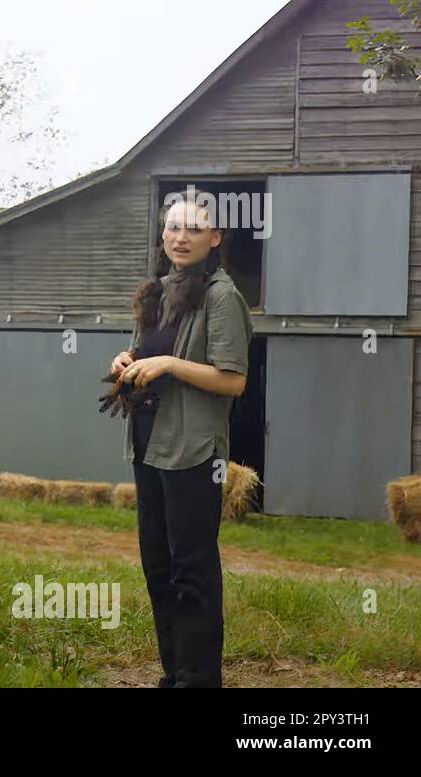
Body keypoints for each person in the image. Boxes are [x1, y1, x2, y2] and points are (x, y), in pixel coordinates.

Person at [109, 188, 253, 688]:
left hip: (193, 450)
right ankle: (175, 674)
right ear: (163, 233)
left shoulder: (221, 296)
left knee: (192, 569)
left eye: (194, 228)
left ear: (214, 238)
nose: (181, 236)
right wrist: (125, 362)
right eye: (174, 226)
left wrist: (170, 364)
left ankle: (199, 679)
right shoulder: (157, 291)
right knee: (158, 564)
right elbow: (142, 351)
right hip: (148, 443)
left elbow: (233, 380)